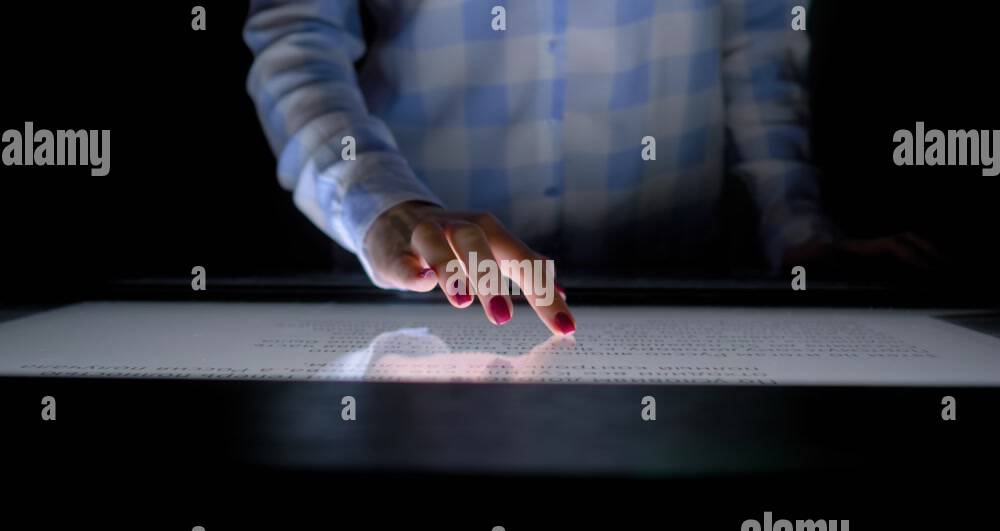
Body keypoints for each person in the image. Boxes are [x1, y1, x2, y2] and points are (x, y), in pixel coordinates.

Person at [244, 0, 936, 335]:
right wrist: (381, 204)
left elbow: (757, 37)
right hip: (413, 315)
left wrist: (795, 228)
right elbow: (298, 32)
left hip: (683, 309)